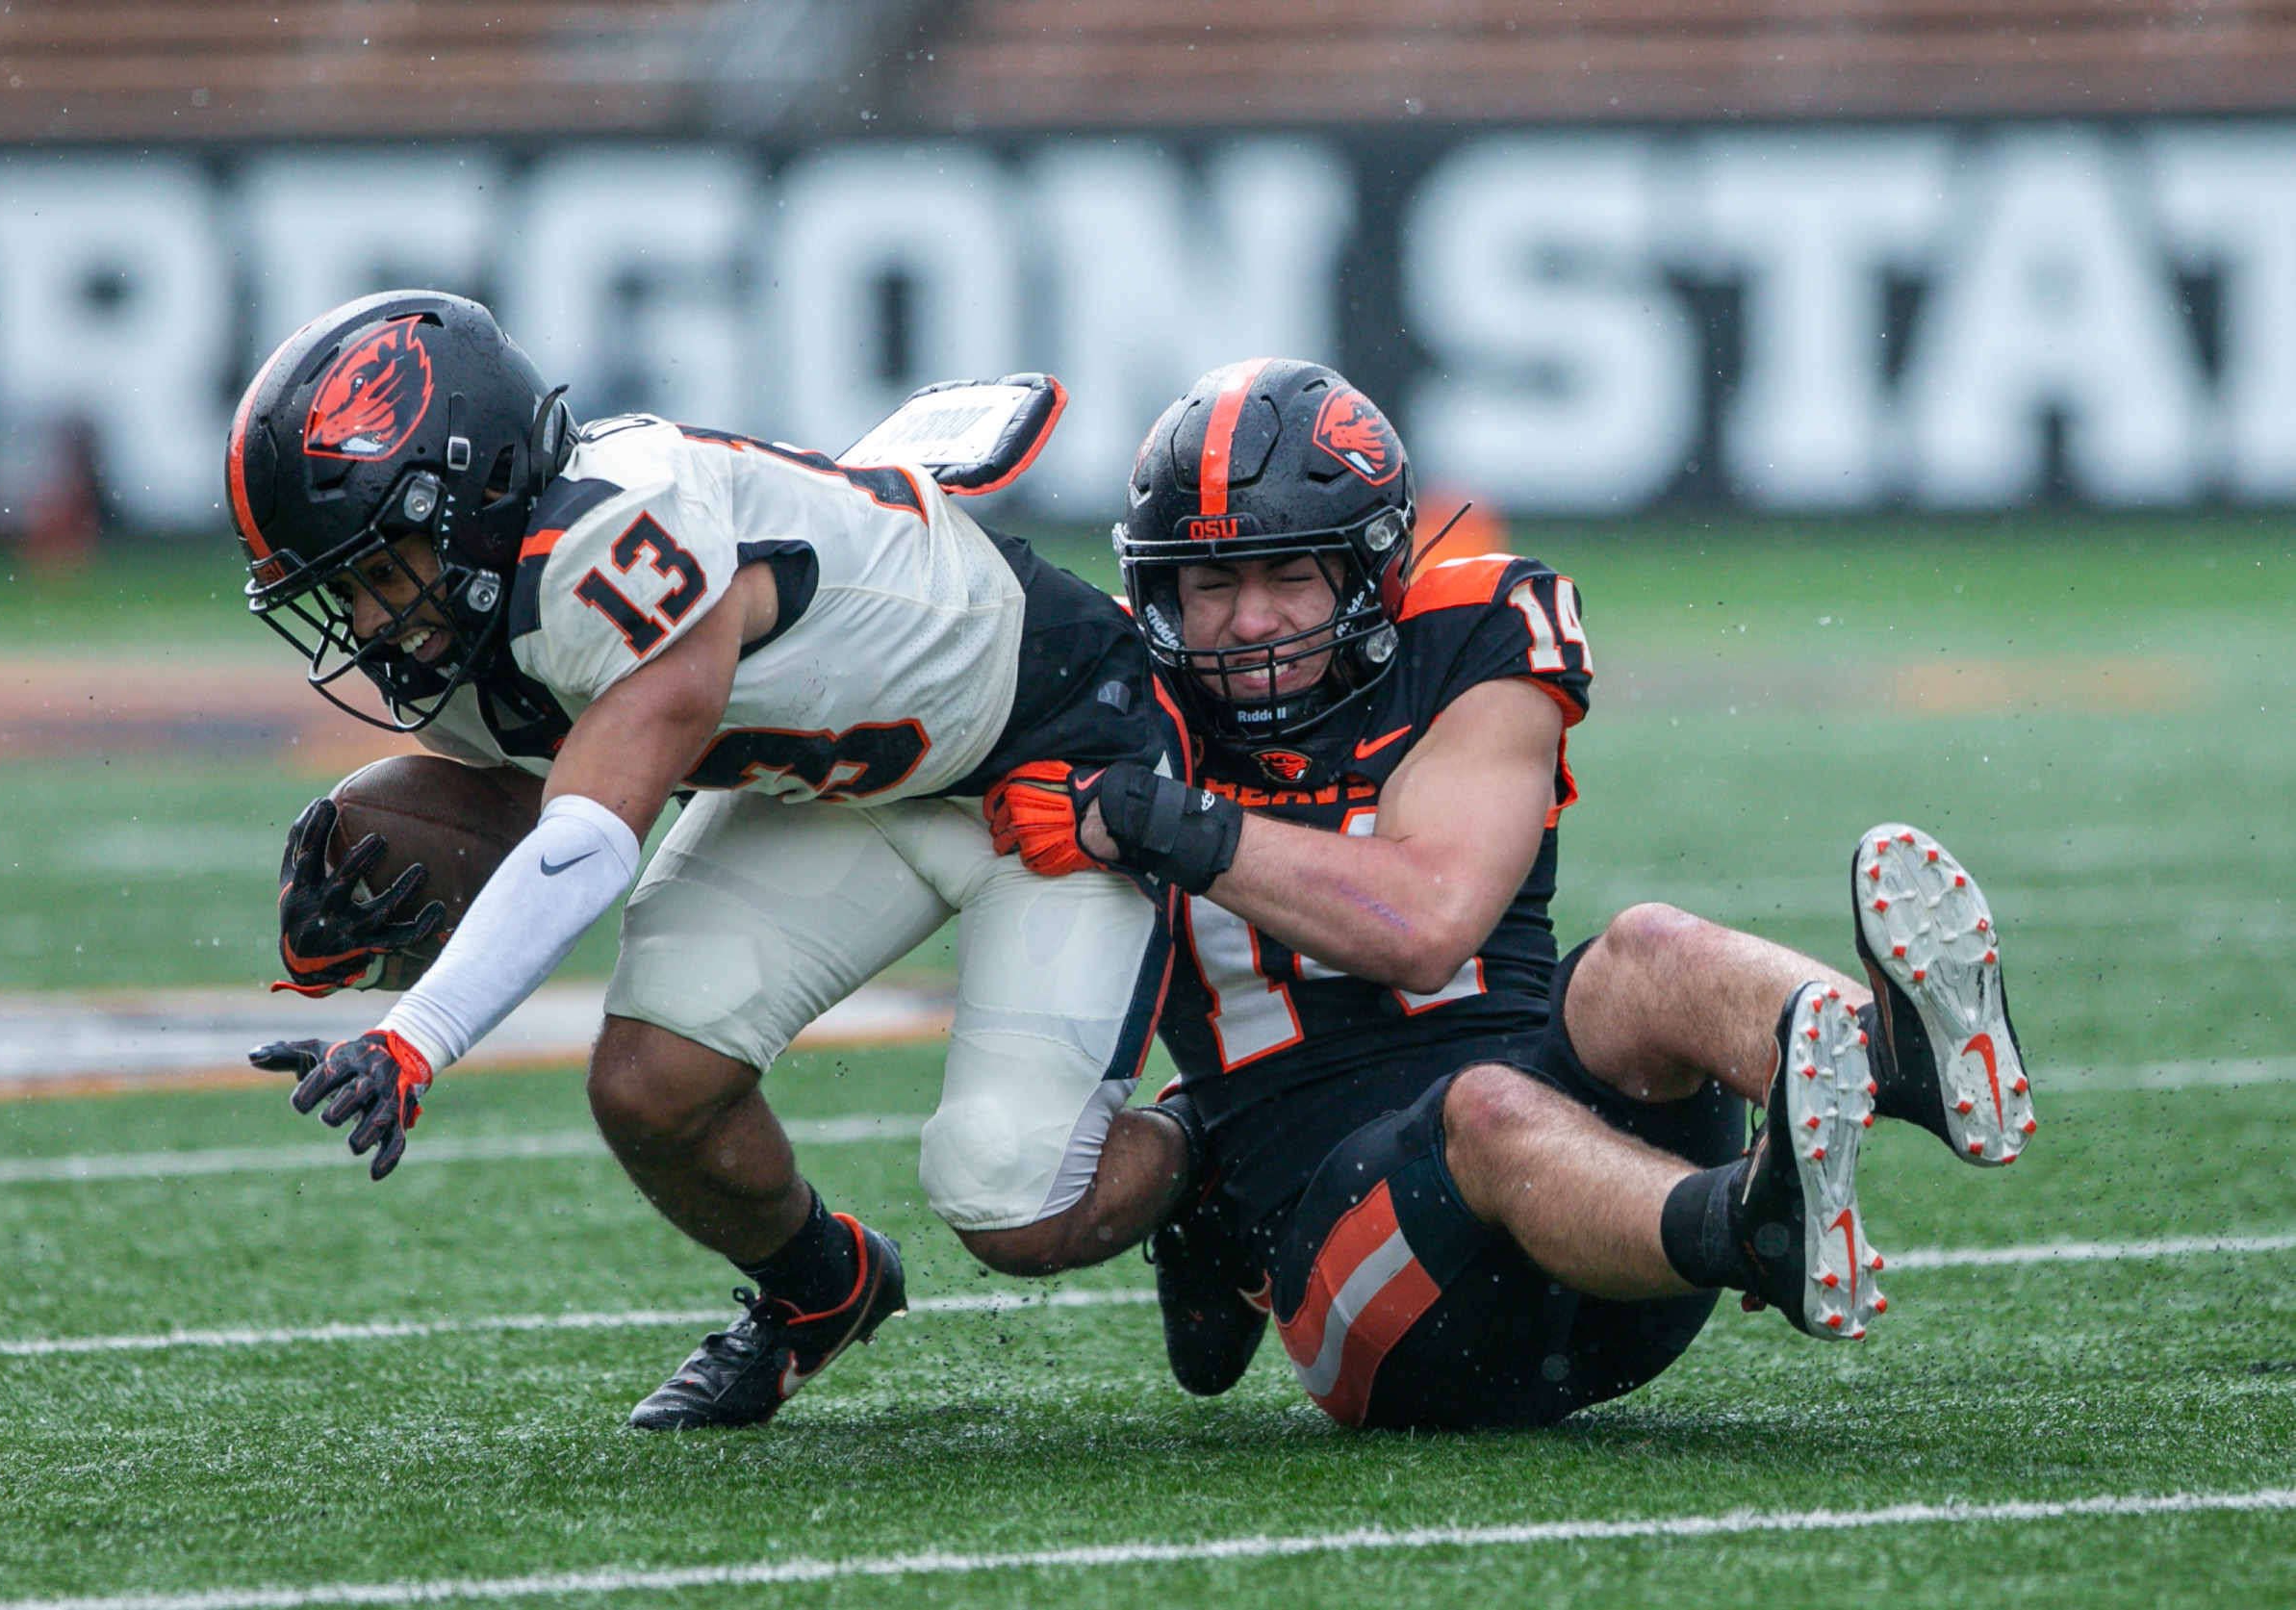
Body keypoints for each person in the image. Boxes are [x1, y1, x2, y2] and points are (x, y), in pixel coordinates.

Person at [988, 359, 2033, 1427]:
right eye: (1210, 585)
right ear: (1157, 589)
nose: (1249, 620)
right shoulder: (1105, 697)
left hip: (1587, 1196)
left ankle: (1902, 1055)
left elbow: (1423, 923)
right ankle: (1753, 1226)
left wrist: (1174, 822)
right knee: (1481, 1110)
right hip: (1366, 1279)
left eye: (1288, 575)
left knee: (1645, 948)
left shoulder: (1473, 634)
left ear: (1370, 571)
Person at [227, 292, 1199, 1430]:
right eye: (341, 590)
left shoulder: (610, 538)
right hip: (845, 783)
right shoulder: (476, 633)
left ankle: (1214, 1146)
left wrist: (416, 1037)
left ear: (477, 497)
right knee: (651, 1086)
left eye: (382, 572)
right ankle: (820, 1287)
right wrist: (373, 927)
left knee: (1014, 1200)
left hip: (1050, 758)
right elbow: (526, 804)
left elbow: (587, 842)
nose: (369, 618)